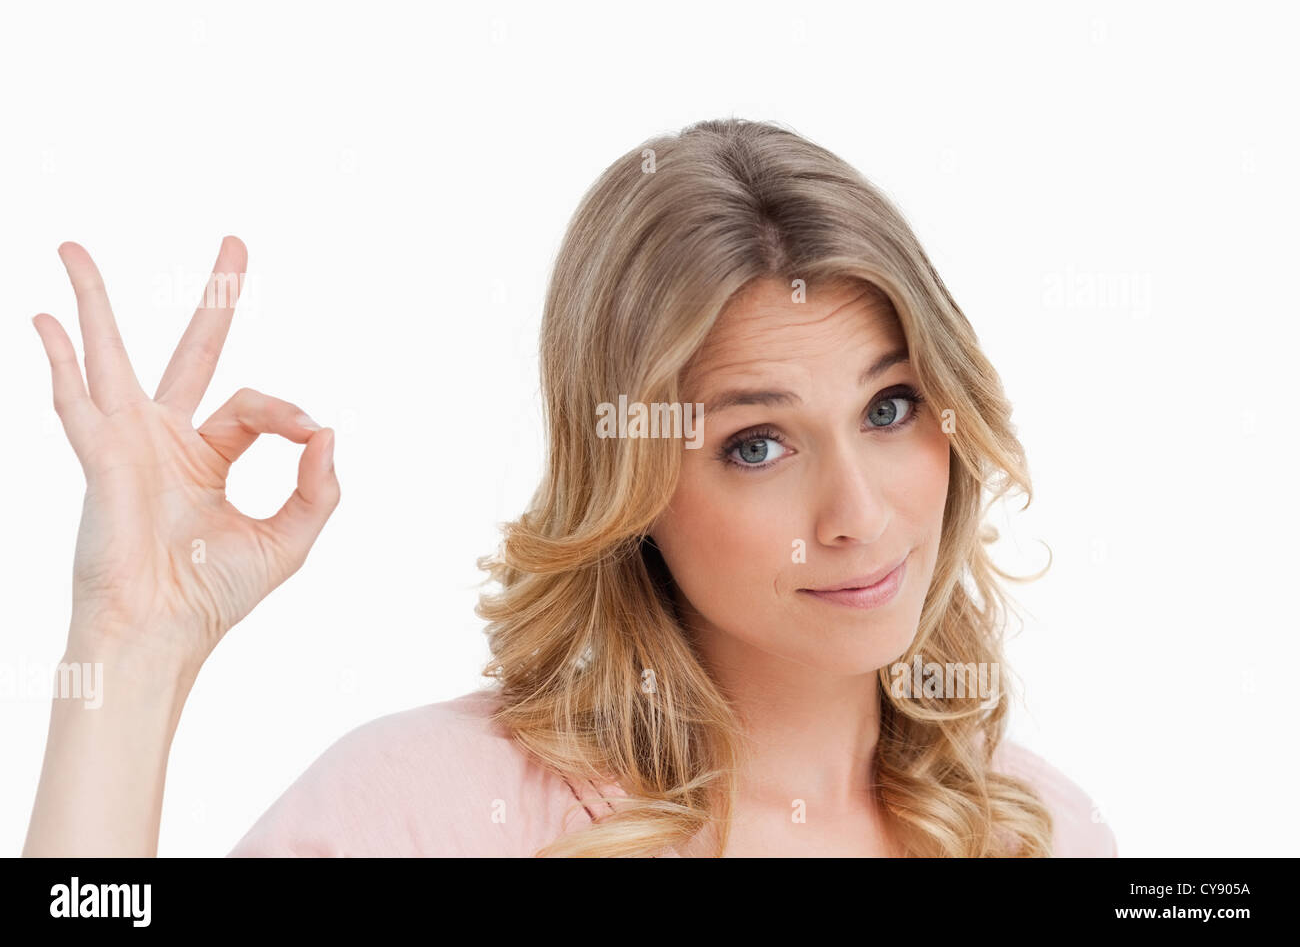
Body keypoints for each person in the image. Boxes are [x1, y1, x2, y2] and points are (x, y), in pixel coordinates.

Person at [24, 118, 1117, 858]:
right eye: (756, 443)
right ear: (629, 483)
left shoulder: (1039, 828)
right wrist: (129, 646)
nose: (861, 515)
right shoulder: (431, 807)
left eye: (888, 408)